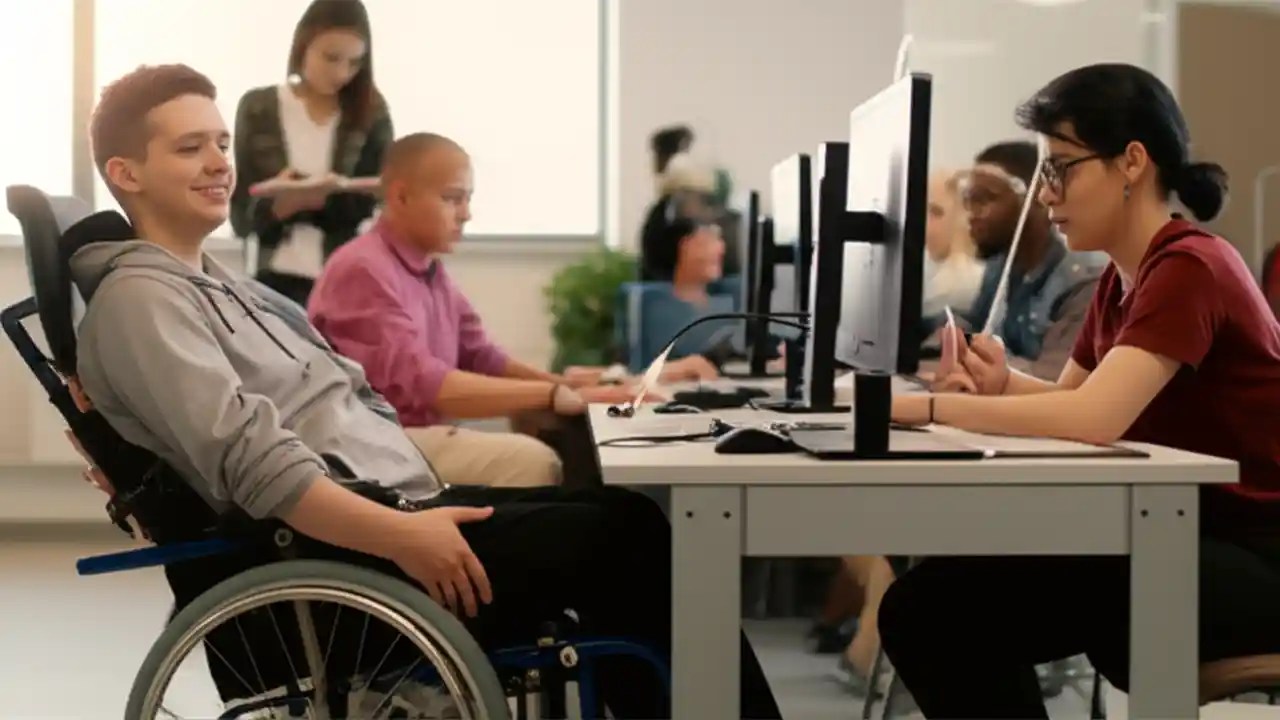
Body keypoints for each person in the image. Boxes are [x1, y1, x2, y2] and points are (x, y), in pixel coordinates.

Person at [72, 63, 785, 718]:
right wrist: (405, 533)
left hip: (386, 510)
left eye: (222, 142)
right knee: (626, 540)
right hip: (336, 556)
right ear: (126, 173)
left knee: (625, 518)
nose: (221, 162)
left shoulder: (232, 289)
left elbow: (361, 394)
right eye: (190, 147)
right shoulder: (141, 302)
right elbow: (259, 467)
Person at [883, 62, 1280, 719]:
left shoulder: (1191, 266)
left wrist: (920, 408)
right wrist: (1001, 385)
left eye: (1061, 168)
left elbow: (1094, 418)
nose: (1047, 194)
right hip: (1190, 540)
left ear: (1131, 162)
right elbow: (1070, 396)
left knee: (936, 611)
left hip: (1256, 560)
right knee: (941, 603)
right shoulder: (1124, 278)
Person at [308, 134, 714, 480]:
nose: (466, 214)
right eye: (453, 199)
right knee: (533, 461)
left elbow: (483, 357)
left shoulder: (428, 269)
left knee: (566, 432)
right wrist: (555, 394)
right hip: (373, 445)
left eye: (467, 199)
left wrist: (567, 389)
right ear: (400, 195)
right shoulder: (362, 269)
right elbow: (429, 386)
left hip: (411, 433)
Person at [229, 0, 392, 307]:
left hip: (346, 281)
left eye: (355, 63)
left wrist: (316, 196)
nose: (342, 73)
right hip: (270, 283)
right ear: (303, 44)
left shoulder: (371, 113)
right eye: (331, 58)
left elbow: (374, 200)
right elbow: (240, 219)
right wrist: (281, 206)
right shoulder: (258, 108)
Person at [958, 141, 1103, 380]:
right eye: (969, 200)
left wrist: (974, 358)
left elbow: (1053, 381)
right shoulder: (1001, 267)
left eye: (984, 199)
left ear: (1037, 198)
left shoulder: (1082, 280)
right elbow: (974, 328)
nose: (972, 214)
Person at [921, 168, 985, 330]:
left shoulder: (970, 281)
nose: (924, 221)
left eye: (936, 212)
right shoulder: (924, 264)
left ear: (963, 217)